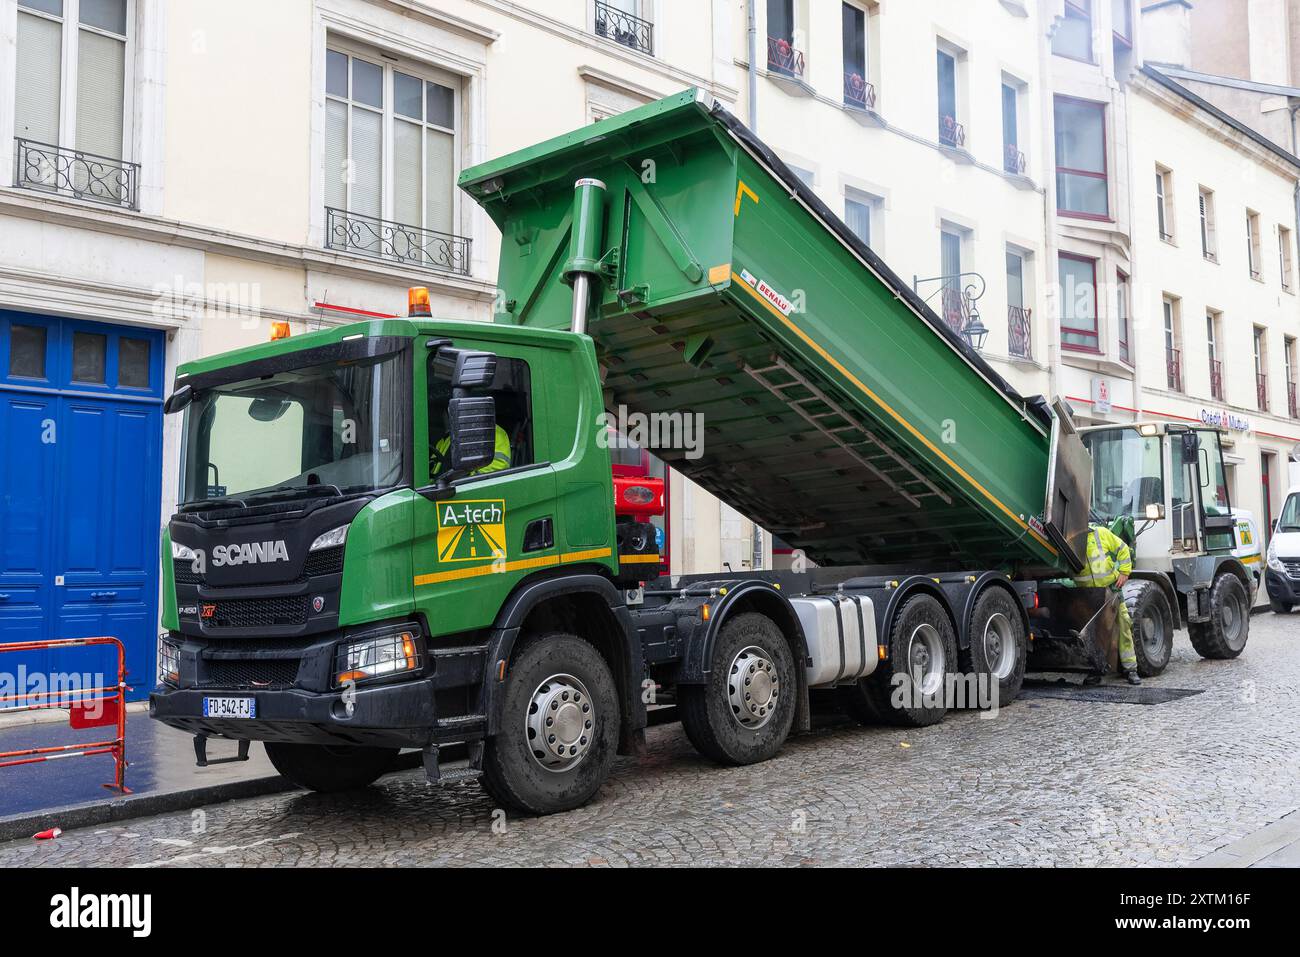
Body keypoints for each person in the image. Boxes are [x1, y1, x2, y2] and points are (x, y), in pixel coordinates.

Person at [1074, 522, 1141, 685]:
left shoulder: (1101, 533)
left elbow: (1123, 548)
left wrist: (1125, 572)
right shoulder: (1071, 540)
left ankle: (1131, 669)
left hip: (1110, 590)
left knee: (1123, 625)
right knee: (1095, 633)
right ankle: (1096, 670)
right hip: (1088, 595)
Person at [430, 424, 511, 479]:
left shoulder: (493, 433)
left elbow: (493, 473)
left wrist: (461, 478)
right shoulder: (447, 437)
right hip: (440, 494)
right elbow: (432, 474)